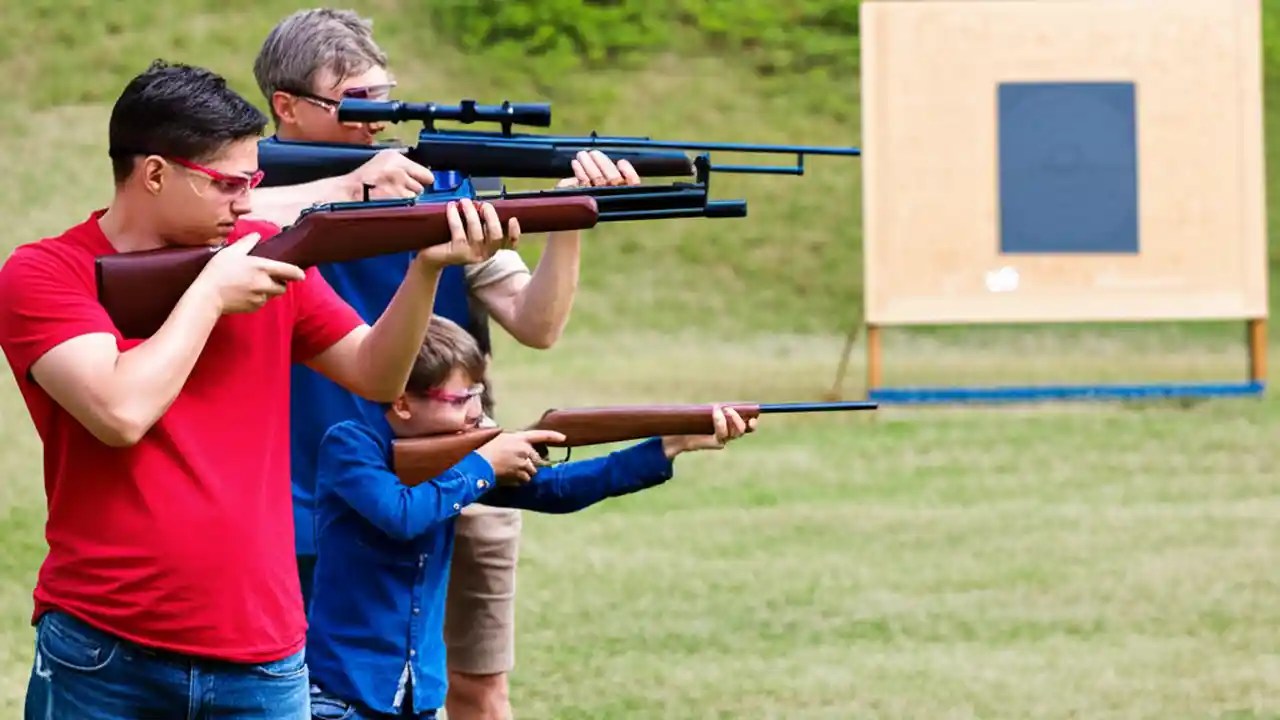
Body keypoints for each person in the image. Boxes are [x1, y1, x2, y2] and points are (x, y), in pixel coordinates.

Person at [0, 60, 515, 719]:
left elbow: (377, 376)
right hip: (104, 648)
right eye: (229, 185)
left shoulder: (262, 252)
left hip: (262, 651)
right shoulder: (46, 274)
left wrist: (425, 270)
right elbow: (120, 411)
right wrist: (209, 294)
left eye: (254, 182)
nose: (248, 204)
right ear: (155, 173)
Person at [249, 10, 642, 718]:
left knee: (480, 690)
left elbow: (537, 324)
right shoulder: (249, 191)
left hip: (462, 473)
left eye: (386, 97)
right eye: (357, 103)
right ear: (287, 107)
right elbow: (226, 224)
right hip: (307, 497)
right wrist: (341, 191)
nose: (379, 119)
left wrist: (567, 218)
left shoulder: (430, 186)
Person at [306, 316, 754, 720]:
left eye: (479, 394)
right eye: (462, 397)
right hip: (344, 697)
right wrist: (484, 465)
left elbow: (556, 489)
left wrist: (668, 445)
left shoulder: (457, 457)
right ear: (403, 403)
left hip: (418, 697)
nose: (477, 412)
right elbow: (402, 514)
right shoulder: (351, 445)